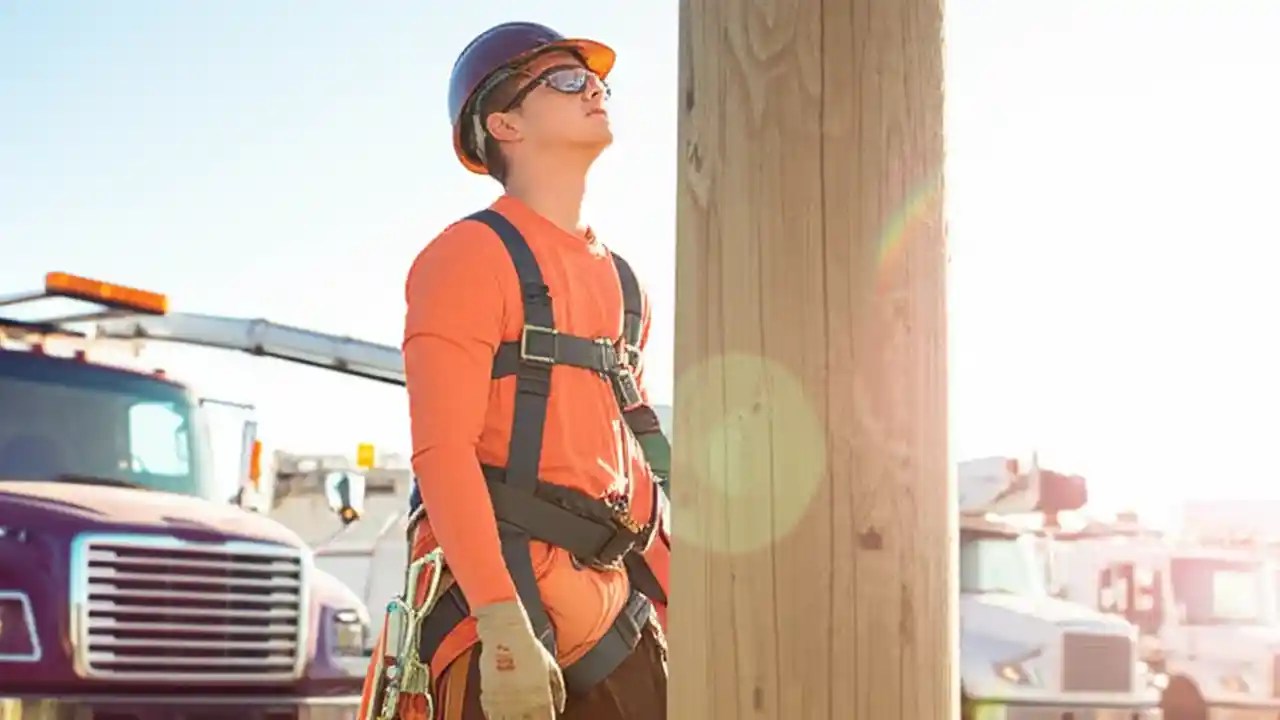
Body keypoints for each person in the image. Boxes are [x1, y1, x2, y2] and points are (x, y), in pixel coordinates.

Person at [357, 21, 671, 720]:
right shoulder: (466, 256)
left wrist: (686, 606)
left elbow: (641, 468)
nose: (593, 87)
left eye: (597, 81)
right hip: (503, 603)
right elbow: (442, 455)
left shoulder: (624, 283)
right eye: (564, 80)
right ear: (503, 123)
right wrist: (502, 625)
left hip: (616, 615)